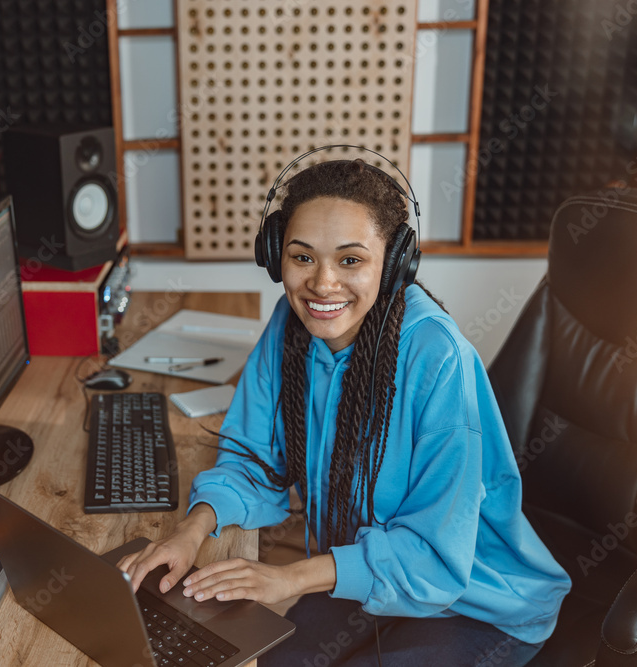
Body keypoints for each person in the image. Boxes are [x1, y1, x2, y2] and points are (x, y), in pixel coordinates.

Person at [117, 158, 571, 666]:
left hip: (478, 600)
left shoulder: (439, 359)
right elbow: (251, 458)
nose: (322, 283)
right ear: (276, 256)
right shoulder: (292, 325)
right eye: (302, 257)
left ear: (394, 262)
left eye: (350, 260)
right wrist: (191, 530)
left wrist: (290, 578)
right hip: (365, 572)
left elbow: (436, 559)